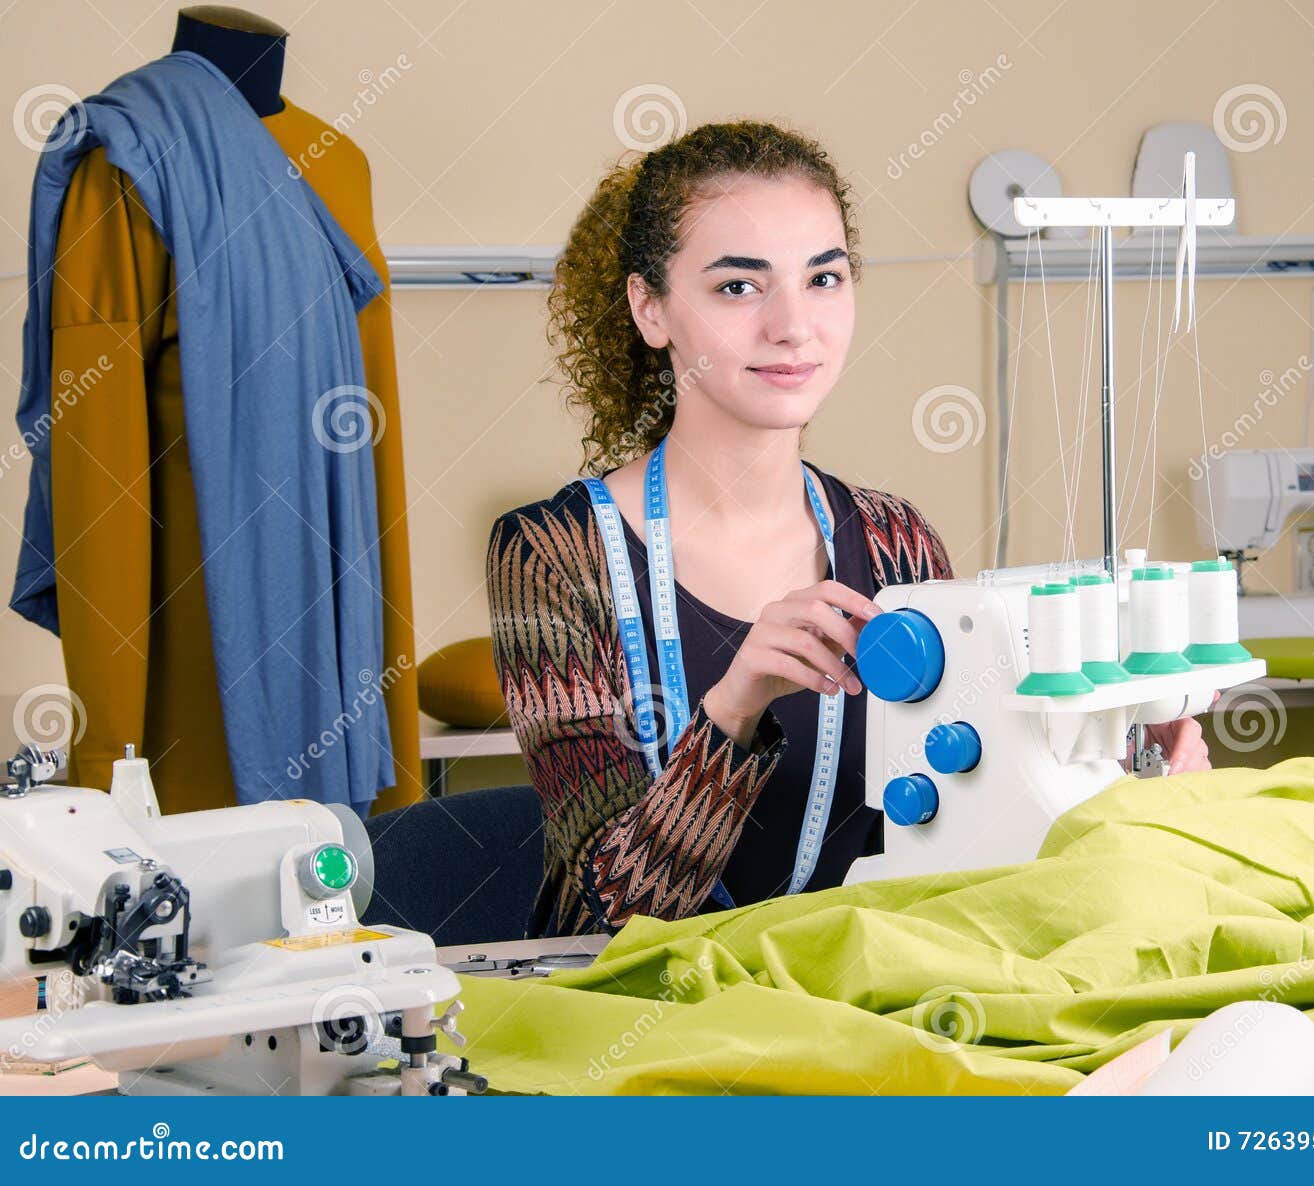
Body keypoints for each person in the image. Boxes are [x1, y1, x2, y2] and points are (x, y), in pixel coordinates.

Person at [487, 120, 1208, 938]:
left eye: (823, 279)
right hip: (644, 1022)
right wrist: (733, 711)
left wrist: (1109, 750)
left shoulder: (896, 540)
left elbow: (965, 832)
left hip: (863, 998)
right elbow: (598, 916)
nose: (793, 326)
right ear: (651, 310)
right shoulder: (552, 554)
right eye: (738, 287)